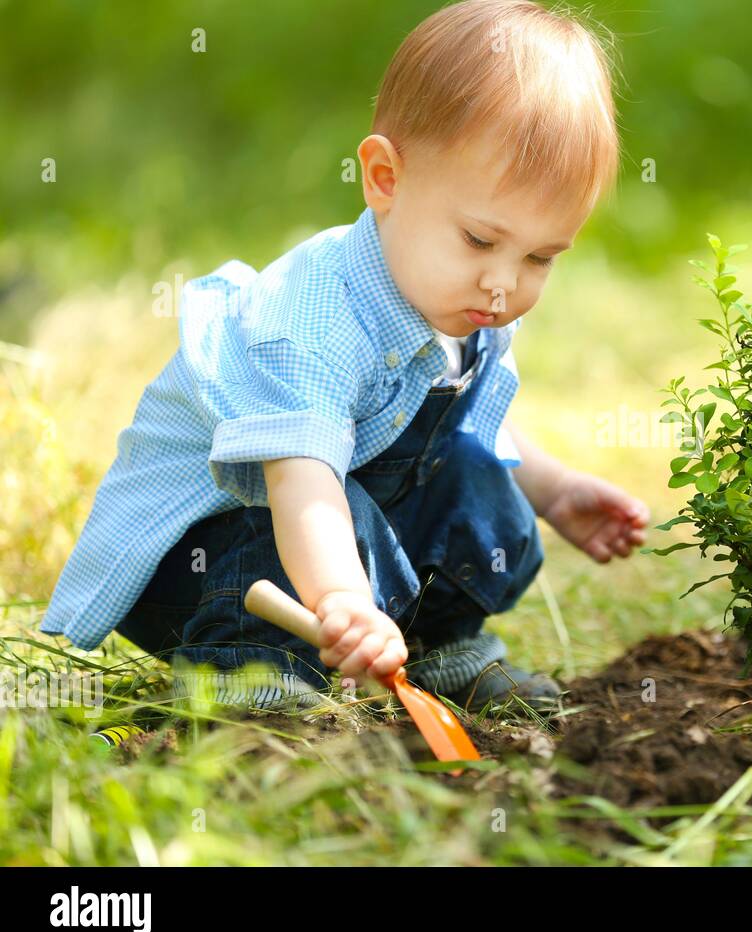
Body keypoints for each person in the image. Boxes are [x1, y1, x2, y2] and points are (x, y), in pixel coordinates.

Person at [39, 0, 648, 715]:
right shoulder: (308, 321)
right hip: (204, 558)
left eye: (541, 256)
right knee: (305, 502)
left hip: (332, 537)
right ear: (385, 178)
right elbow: (302, 487)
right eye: (481, 241)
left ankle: (438, 645)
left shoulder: (453, 296)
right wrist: (341, 601)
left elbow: (464, 421)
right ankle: (251, 679)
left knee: (479, 478)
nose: (503, 282)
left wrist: (552, 489)